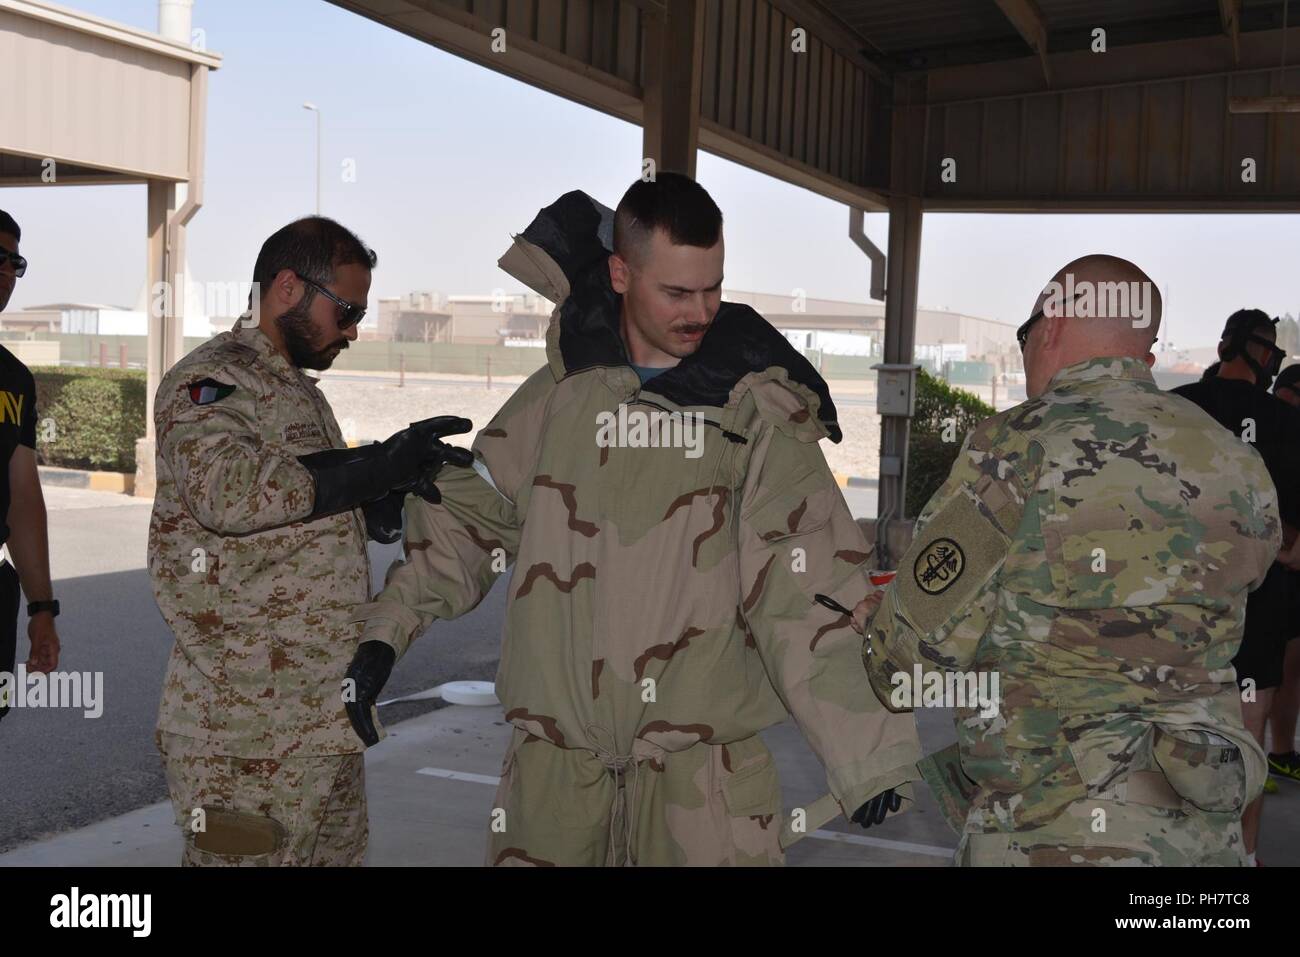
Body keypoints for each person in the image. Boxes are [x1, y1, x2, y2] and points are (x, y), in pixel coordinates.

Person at [347, 176, 921, 866]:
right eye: (677, 292)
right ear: (620, 273)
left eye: (712, 288)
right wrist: (387, 632)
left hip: (698, 787)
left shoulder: (754, 412)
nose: (701, 311)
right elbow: (470, 526)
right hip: (555, 782)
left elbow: (808, 579)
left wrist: (867, 751)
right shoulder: (558, 398)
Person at [855, 255, 1277, 866]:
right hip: (1204, 839)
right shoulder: (1235, 460)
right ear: (1146, 355)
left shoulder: (1013, 448)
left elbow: (909, 665)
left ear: (1049, 326)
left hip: (1055, 833)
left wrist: (879, 621)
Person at [149, 216, 469, 865]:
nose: (352, 330)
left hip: (323, 723)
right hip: (242, 734)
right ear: (288, 287)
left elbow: (298, 501)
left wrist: (377, 491)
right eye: (346, 310)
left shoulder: (294, 391)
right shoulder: (211, 380)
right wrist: (371, 467)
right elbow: (226, 491)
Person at [1171, 309, 1300, 862]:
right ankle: (1242, 857)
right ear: (1260, 353)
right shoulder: (1284, 420)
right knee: (1246, 740)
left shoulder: (1174, 408)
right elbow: (1294, 548)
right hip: (1256, 611)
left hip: (1173, 618)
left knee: (1172, 742)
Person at [0, 209, 60, 722]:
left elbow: (22, 498)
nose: (4, 271)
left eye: (13, 262)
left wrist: (42, 608)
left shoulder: (14, 379)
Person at [1263, 363, 1300, 787]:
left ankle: (1281, 751)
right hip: (1265, 568)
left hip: (1288, 569)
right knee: (1260, 675)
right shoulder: (1261, 433)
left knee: (1289, 670)